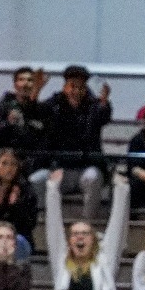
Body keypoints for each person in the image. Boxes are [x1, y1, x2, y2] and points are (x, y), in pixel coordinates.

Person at [48, 169, 131, 290]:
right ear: (69, 241)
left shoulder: (104, 260)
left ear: (93, 240)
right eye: (75, 234)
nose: (80, 237)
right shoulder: (62, 261)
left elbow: (117, 226)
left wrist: (121, 190)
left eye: (85, 234)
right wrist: (52, 189)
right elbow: (53, 228)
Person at [45, 65, 112, 223]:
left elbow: (104, 116)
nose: (76, 91)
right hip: (61, 167)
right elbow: (38, 113)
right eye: (72, 86)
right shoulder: (54, 104)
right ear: (65, 87)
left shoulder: (94, 105)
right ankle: (49, 224)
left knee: (94, 177)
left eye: (80, 87)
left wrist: (104, 103)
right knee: (41, 179)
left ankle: (88, 225)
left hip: (86, 166)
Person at [0, 67, 52, 170]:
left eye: (30, 80)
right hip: (4, 163)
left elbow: (45, 141)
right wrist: (8, 123)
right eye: (21, 80)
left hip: (32, 164)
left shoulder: (42, 110)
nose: (26, 84)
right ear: (15, 84)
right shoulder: (2, 107)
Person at [0, 147, 38, 247]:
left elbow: (29, 224)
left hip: (17, 238)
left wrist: (15, 205)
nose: (9, 168)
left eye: (13, 164)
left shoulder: (26, 190)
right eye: (4, 163)